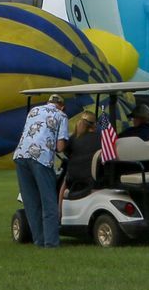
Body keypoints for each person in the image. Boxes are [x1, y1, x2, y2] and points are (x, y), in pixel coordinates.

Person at [11, 93, 68, 250]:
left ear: (48, 102)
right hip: (41, 158)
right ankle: (51, 243)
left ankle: (39, 240)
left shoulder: (34, 110)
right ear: (62, 106)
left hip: (21, 155)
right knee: (49, 201)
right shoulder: (61, 115)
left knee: (31, 202)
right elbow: (60, 147)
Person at [62, 112, 101, 198]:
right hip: (92, 179)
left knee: (64, 181)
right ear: (94, 124)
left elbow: (66, 152)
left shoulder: (74, 137)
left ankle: (59, 209)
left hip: (73, 179)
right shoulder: (101, 138)